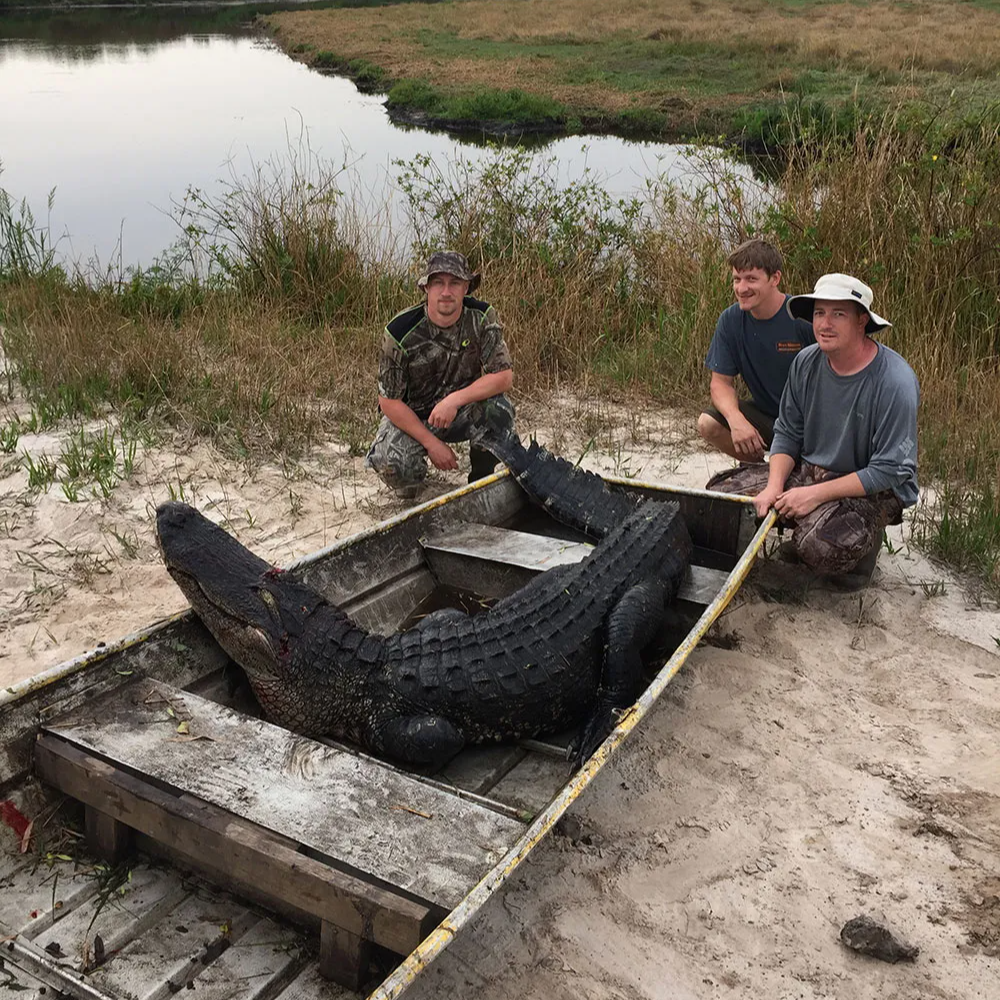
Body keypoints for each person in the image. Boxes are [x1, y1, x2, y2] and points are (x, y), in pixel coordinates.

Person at [707, 273, 919, 576]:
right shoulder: (806, 362)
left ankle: (863, 549)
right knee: (718, 498)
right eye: (819, 313)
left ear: (862, 321)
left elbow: (890, 470)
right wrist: (773, 487)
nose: (825, 323)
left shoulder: (895, 381)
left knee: (819, 547)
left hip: (874, 488)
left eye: (838, 314)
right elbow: (788, 432)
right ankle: (812, 519)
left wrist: (814, 496)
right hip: (814, 468)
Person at [366, 250, 515, 499]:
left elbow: (503, 376)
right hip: (415, 418)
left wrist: (453, 401)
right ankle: (412, 489)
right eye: (438, 283)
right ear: (426, 288)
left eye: (454, 283)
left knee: (499, 411)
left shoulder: (481, 316)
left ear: (466, 287)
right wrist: (432, 444)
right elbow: (388, 401)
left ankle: (480, 484)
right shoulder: (399, 331)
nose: (446, 292)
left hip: (461, 410)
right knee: (390, 461)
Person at [699, 239, 814, 462]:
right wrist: (736, 420)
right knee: (708, 423)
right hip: (767, 417)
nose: (742, 288)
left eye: (751, 279)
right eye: (737, 279)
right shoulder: (730, 321)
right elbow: (720, 382)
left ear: (775, 279)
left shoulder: (803, 318)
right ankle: (760, 472)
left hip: (809, 423)